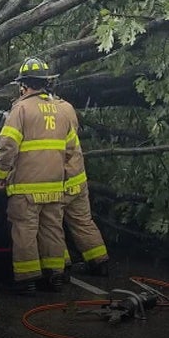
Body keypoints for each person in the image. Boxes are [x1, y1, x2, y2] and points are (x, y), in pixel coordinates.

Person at [0, 57, 77, 294]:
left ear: (24, 85)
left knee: (25, 231)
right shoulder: (61, 110)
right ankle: (55, 277)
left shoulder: (20, 109)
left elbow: (7, 145)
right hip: (54, 185)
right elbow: (71, 149)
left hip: (26, 187)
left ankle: (28, 280)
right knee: (52, 230)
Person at [51, 86, 111, 276]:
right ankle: (99, 261)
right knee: (82, 221)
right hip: (78, 178)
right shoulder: (67, 108)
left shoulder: (42, 116)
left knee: (52, 225)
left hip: (59, 180)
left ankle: (62, 265)